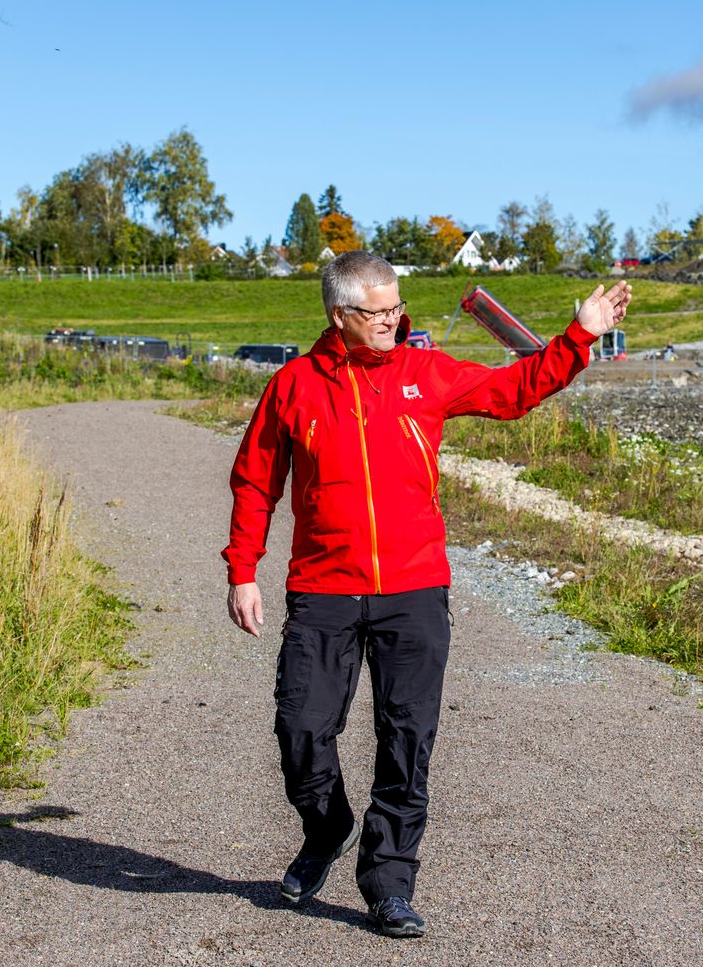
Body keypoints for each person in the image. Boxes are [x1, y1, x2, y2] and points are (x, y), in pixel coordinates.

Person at [222, 251, 630, 939]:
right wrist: (241, 569)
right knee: (300, 730)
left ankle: (388, 884)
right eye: (378, 313)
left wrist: (579, 335)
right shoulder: (294, 385)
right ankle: (327, 829)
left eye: (396, 308)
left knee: (406, 740)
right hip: (323, 588)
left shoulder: (425, 372)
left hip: (414, 589)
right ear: (338, 316)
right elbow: (257, 479)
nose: (393, 320)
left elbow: (516, 390)